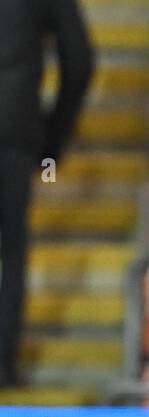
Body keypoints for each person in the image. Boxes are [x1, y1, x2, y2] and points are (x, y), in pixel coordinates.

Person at [0, 0, 95, 388]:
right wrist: (52, 138)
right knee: (12, 250)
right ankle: (3, 364)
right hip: (13, 132)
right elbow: (79, 61)